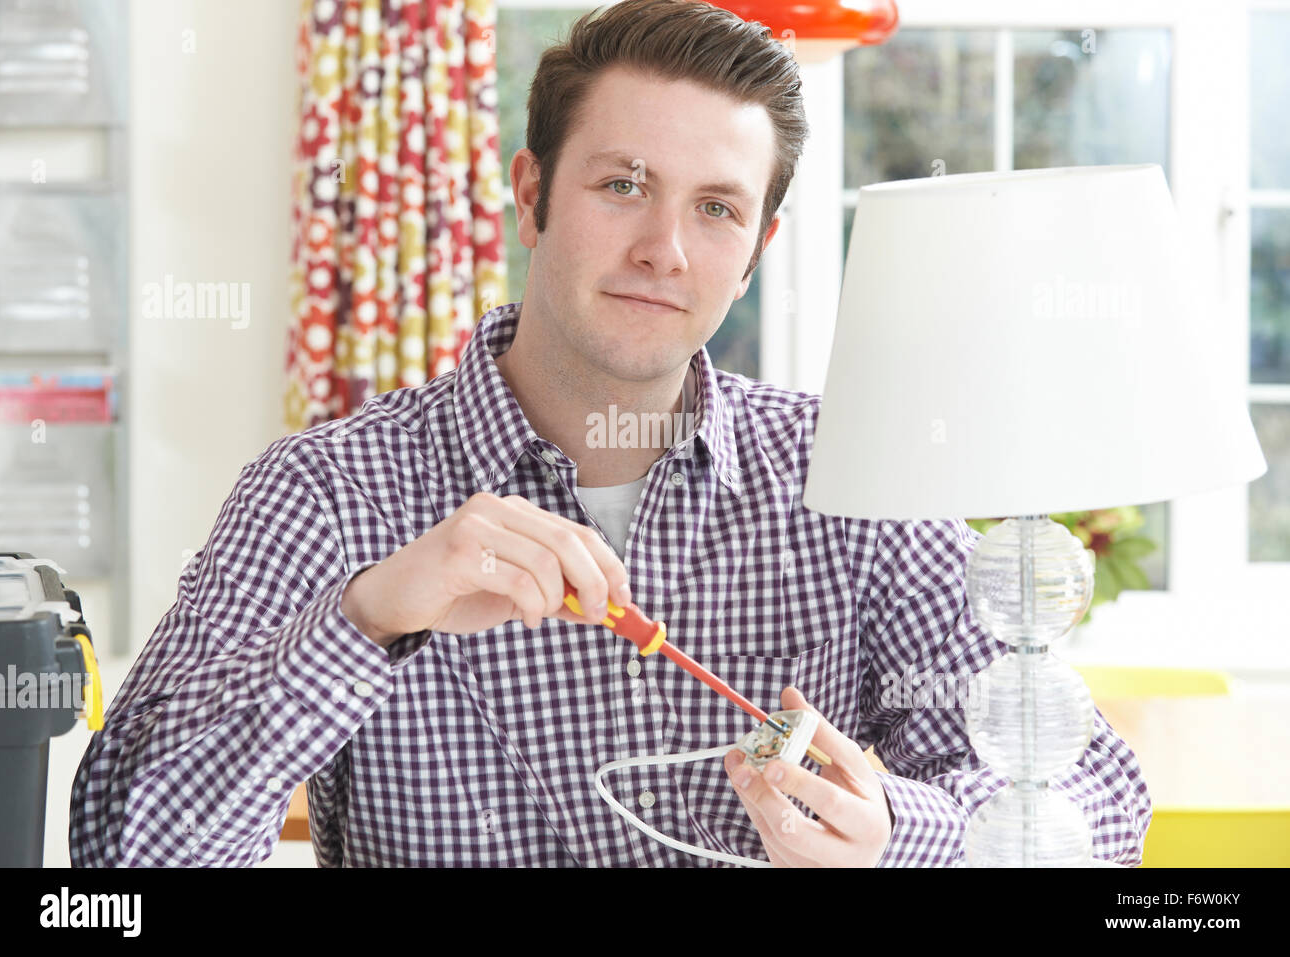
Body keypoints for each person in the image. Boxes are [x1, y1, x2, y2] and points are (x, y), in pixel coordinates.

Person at [70, 0, 1151, 867]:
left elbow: (1091, 805)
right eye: (623, 185)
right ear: (531, 196)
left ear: (758, 247)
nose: (664, 250)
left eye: (716, 209)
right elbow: (120, 858)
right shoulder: (324, 493)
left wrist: (897, 840)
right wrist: (364, 620)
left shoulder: (850, 478)